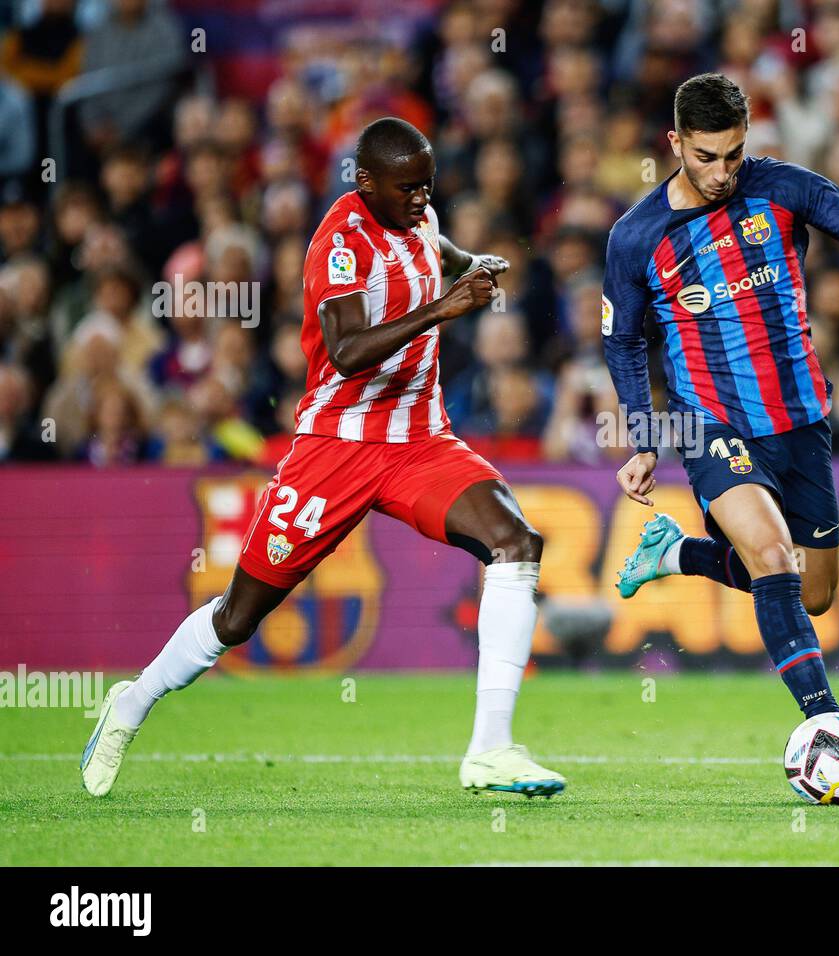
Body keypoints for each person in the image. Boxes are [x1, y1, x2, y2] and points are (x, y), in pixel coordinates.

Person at [81, 117, 565, 799]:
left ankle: (491, 749)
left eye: (427, 187)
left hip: (419, 439)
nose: (421, 200)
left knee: (515, 542)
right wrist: (445, 308)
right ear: (365, 182)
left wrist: (471, 264)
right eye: (407, 190)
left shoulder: (414, 212)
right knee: (239, 617)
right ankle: (132, 702)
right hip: (337, 448)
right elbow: (345, 351)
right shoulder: (339, 243)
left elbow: (436, 246)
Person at [603, 73, 839, 774]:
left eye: (734, 154)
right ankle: (833, 728)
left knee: (813, 591)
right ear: (676, 144)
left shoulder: (783, 188)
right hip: (709, 422)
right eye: (706, 156)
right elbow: (624, 340)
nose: (722, 172)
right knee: (773, 558)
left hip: (801, 420)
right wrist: (644, 437)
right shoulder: (636, 238)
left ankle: (678, 554)